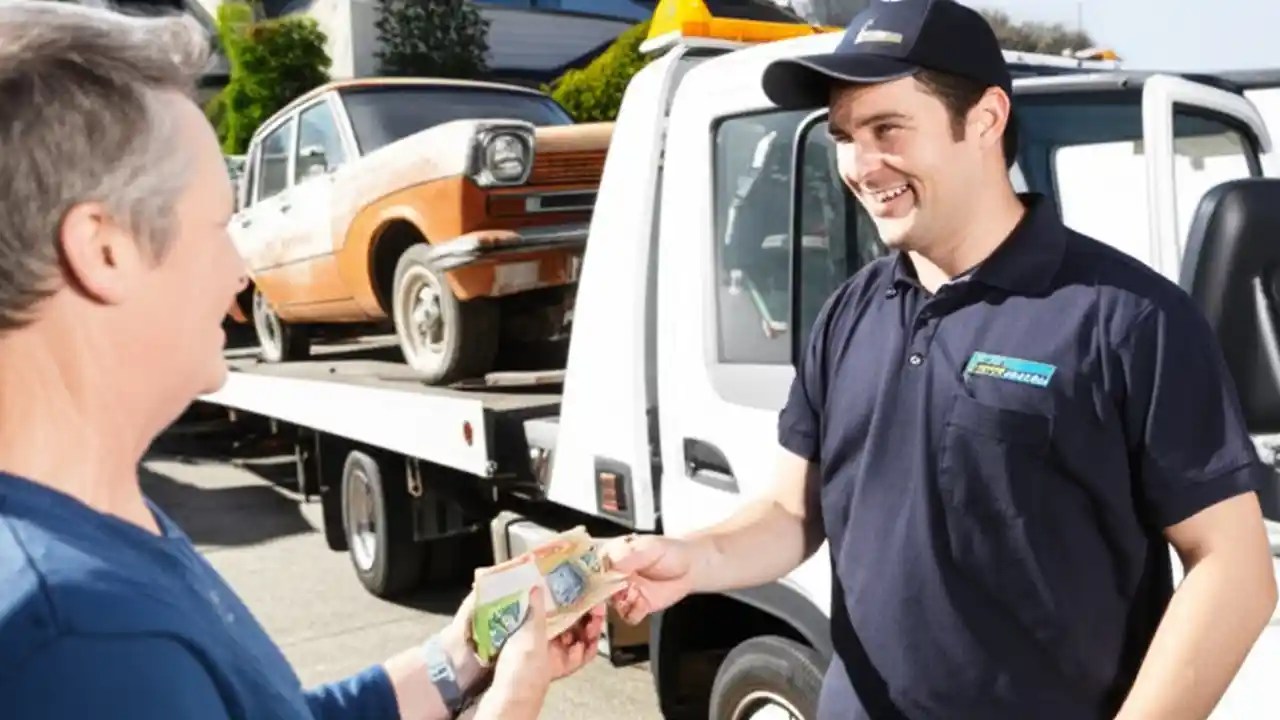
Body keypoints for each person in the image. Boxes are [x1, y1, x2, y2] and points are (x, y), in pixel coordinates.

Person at [603, 1, 1278, 718]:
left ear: (984, 120)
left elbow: (1232, 568)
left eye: (888, 129)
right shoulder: (849, 313)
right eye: (845, 136)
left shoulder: (1127, 318)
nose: (861, 166)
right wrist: (694, 559)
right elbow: (789, 510)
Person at [0, 2, 603, 718]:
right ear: (106, 252)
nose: (241, 272)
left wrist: (463, 655)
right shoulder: (77, 639)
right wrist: (515, 700)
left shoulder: (93, 537)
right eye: (220, 226)